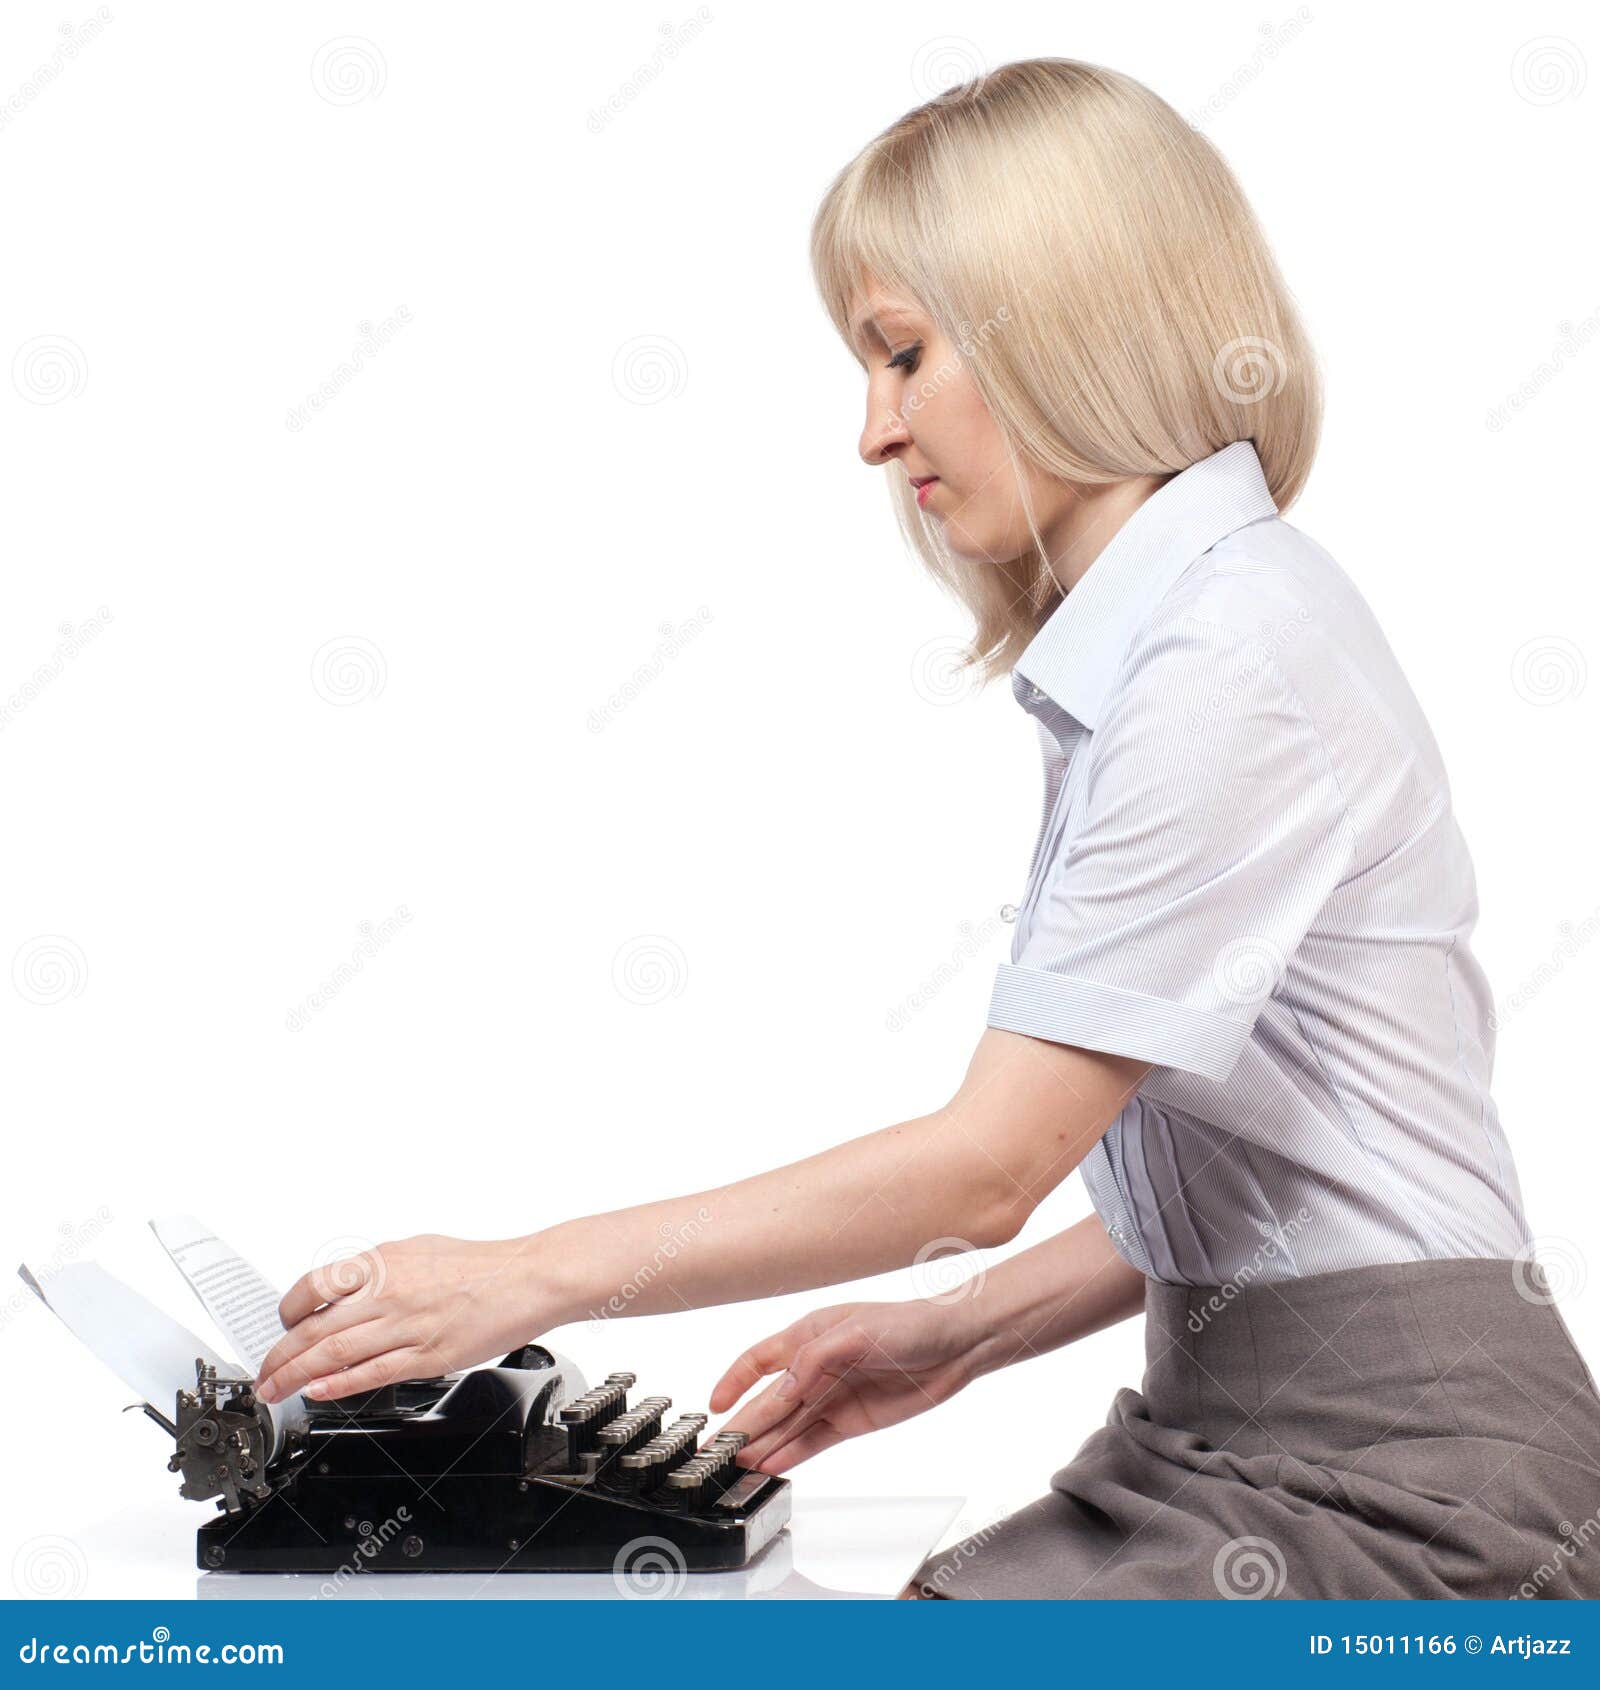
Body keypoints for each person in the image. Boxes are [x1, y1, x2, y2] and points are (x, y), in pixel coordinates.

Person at [254, 58, 1600, 1599]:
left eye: (900, 355)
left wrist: (520, 1278)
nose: (875, 433)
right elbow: (1296, 1157)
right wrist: (962, 1331)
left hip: (1407, 1481)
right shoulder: (1191, 627)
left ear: (1063, 322)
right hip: (1252, 1426)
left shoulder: (1228, 655)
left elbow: (984, 1168)